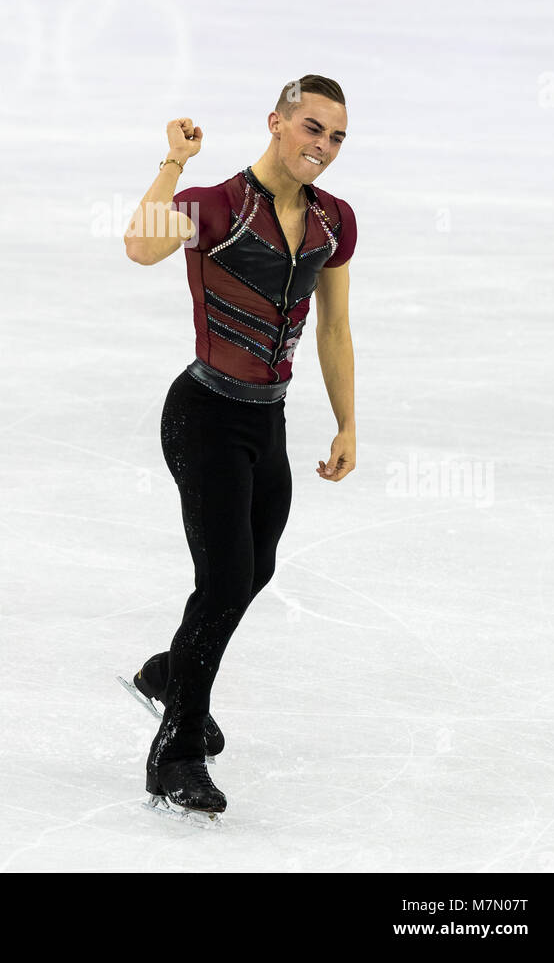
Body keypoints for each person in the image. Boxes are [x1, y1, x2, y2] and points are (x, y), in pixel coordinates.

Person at [122, 75, 357, 818]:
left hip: (268, 421)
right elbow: (138, 247)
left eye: (336, 136)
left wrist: (348, 423)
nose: (323, 146)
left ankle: (171, 672)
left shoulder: (333, 223)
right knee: (223, 579)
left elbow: (332, 328)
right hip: (204, 415)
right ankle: (177, 750)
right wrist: (174, 164)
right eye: (312, 129)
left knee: (254, 569)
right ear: (277, 124)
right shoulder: (217, 205)